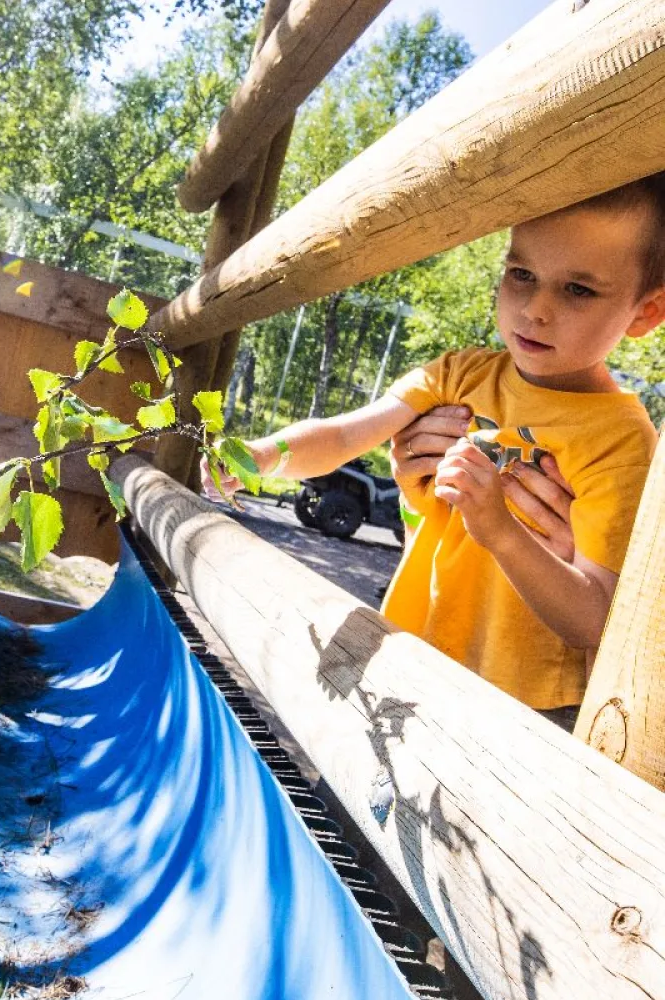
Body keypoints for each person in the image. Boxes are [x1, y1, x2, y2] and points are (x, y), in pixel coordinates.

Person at [208, 175, 665, 719]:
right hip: (414, 651)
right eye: (521, 274)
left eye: (578, 289)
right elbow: (346, 435)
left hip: (522, 707)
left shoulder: (622, 440)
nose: (535, 308)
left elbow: (593, 616)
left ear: (645, 314)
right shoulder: (462, 373)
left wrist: (498, 528)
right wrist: (263, 455)